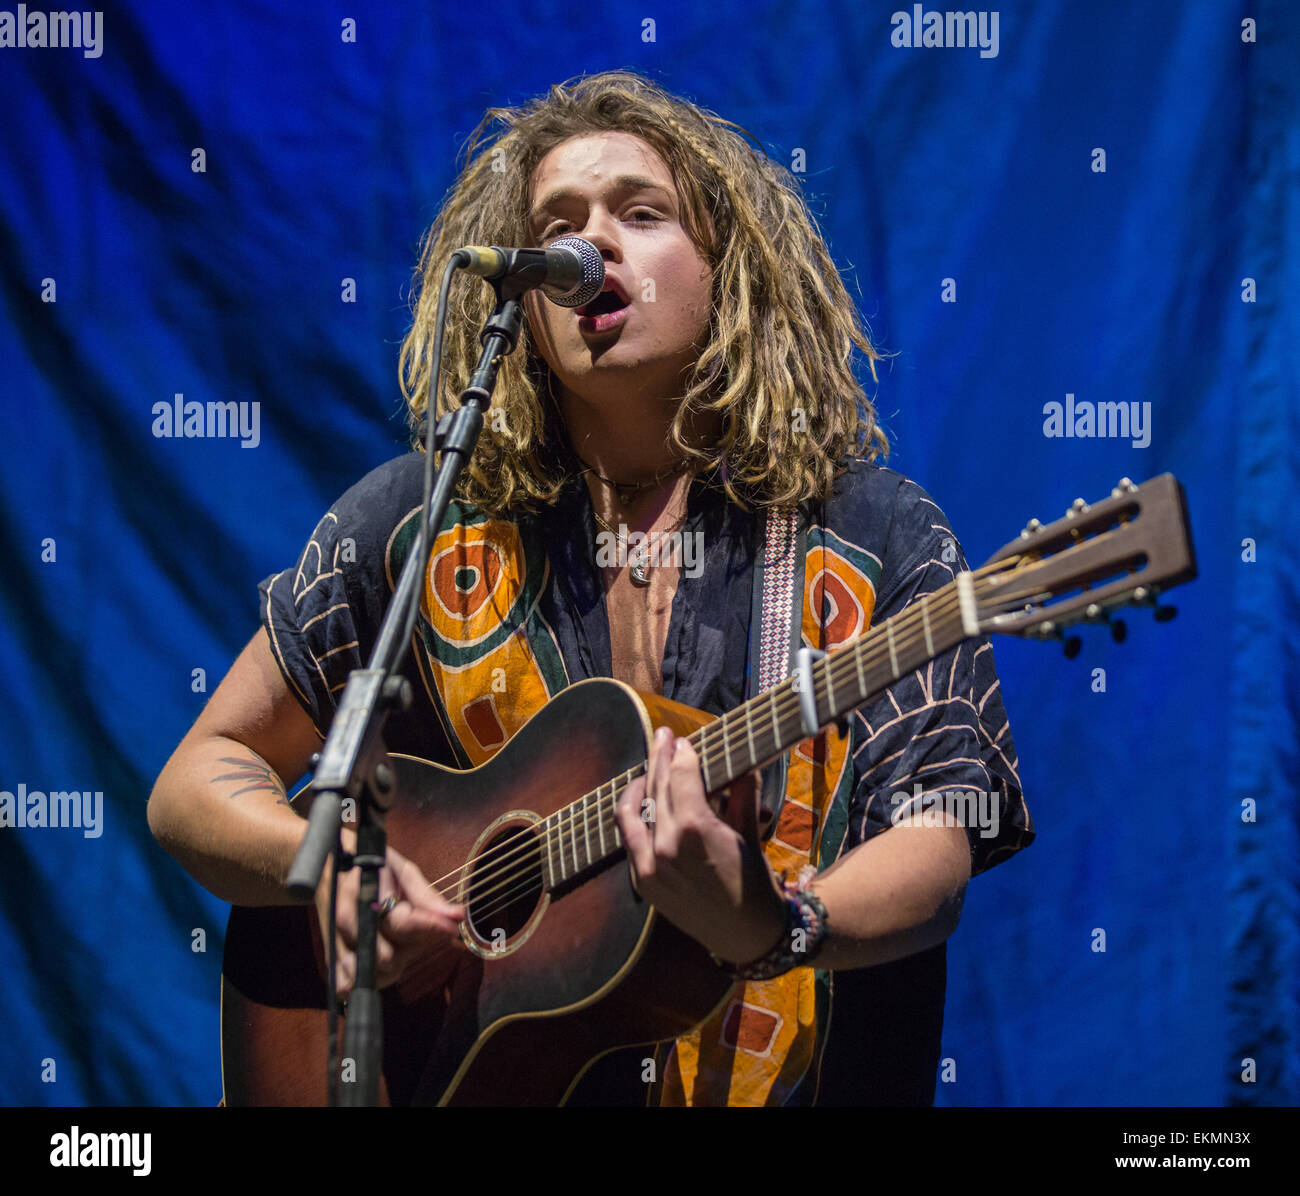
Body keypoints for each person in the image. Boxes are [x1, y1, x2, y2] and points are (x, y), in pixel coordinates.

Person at [148, 69, 1034, 1107]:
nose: (591, 244)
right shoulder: (417, 522)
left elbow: (935, 843)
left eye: (641, 211)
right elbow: (196, 779)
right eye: (558, 224)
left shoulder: (872, 534)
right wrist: (330, 864)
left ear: (729, 268)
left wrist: (773, 922)